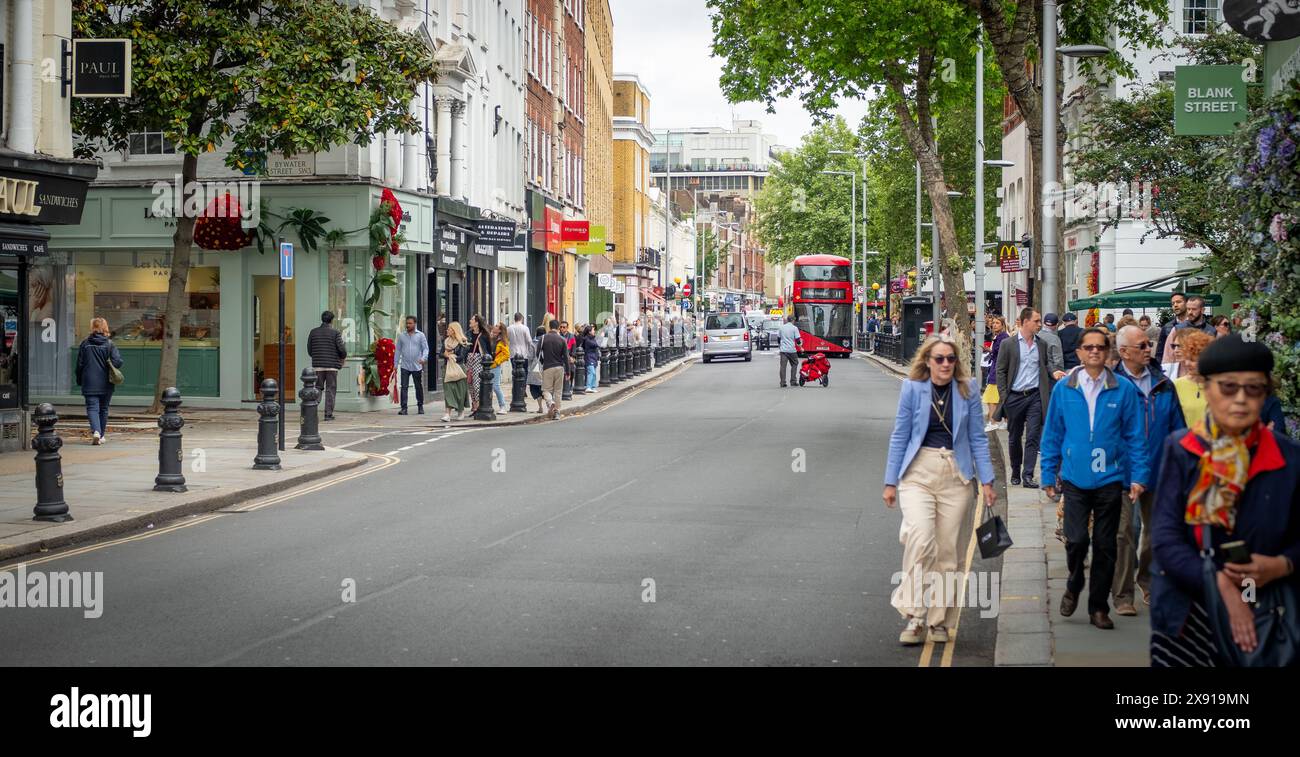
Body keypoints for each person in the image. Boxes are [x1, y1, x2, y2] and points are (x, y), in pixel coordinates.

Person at [1149, 335, 1300, 666]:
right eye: (1229, 388)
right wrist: (1220, 585)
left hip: (1265, 611)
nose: (1241, 399)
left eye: (1254, 389)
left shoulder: (1289, 458)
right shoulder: (1183, 449)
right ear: (1207, 387)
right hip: (1188, 616)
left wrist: (1280, 565)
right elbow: (1165, 539)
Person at [883, 334, 996, 645]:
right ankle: (915, 615)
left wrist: (987, 481)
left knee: (948, 554)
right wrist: (890, 481)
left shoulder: (968, 389)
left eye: (951, 358)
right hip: (918, 472)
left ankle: (938, 622)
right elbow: (900, 435)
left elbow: (977, 438)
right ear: (927, 362)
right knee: (920, 539)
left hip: (955, 475)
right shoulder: (912, 388)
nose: (946, 363)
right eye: (939, 359)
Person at [1041, 327, 1150, 630]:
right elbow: (1052, 434)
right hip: (1075, 479)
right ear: (1078, 353)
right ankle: (1074, 584)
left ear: (1108, 352)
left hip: (1110, 480)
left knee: (1106, 546)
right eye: (1088, 348)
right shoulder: (1065, 389)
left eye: (1100, 347)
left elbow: (1135, 437)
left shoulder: (1124, 389)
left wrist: (1139, 476)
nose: (1094, 352)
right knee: (1076, 540)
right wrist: (1048, 473)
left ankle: (1098, 607)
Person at [1112, 325, 1186, 616]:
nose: (1148, 349)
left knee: (1156, 533)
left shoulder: (1164, 383)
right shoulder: (1111, 383)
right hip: (1122, 472)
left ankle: (1149, 583)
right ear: (1123, 352)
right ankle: (1122, 594)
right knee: (1124, 533)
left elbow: (1179, 428)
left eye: (1148, 344)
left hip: (1159, 469)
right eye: (1141, 345)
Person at [994, 308, 1055, 488]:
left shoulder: (1041, 344)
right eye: (1036, 321)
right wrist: (1005, 396)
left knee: (1033, 436)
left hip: (1035, 396)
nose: (1039, 324)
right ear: (1025, 322)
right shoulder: (1009, 344)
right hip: (1014, 397)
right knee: (1014, 437)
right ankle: (1015, 469)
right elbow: (1000, 371)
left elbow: (1045, 365)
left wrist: (1055, 372)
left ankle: (1028, 475)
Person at [75, 317, 124, 445]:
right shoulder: (109, 344)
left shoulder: (85, 344)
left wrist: (79, 379)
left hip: (89, 381)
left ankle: (96, 431)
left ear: (92, 327)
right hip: (106, 382)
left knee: (92, 407)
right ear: (105, 327)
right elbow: (118, 362)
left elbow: (79, 364)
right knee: (104, 408)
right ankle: (101, 435)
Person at [307, 310, 347, 421]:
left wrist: (317, 357)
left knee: (317, 388)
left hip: (318, 365)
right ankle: (328, 414)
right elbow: (342, 350)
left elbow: (310, 350)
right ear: (332, 320)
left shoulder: (313, 332)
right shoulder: (335, 333)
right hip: (331, 366)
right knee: (330, 389)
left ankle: (311, 411)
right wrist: (342, 357)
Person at [1173, 330, 1214, 429]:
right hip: (1186, 441)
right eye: (1186, 358)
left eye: (1192, 360)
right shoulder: (1176, 385)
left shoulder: (1219, 385)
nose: (1187, 363)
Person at [1161, 294, 1216, 363]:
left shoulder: (1211, 331)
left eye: (1194, 309)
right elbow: (1167, 357)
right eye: (1188, 309)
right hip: (1181, 371)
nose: (1190, 312)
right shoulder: (1177, 329)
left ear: (1202, 310)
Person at [395, 315, 429, 415]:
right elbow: (398, 350)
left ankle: (420, 406)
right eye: (407, 323)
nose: (408, 325)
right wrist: (395, 364)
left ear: (415, 324)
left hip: (416, 365)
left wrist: (423, 358)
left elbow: (426, 348)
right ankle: (404, 408)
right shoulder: (402, 336)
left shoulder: (420, 335)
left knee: (418, 386)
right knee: (404, 387)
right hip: (405, 365)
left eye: (410, 323)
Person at [981, 315, 1007, 430]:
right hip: (995, 368)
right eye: (993, 323)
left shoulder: (1003, 337)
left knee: (991, 398)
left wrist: (990, 351)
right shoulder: (998, 336)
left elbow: (1002, 354)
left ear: (1002, 325)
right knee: (995, 398)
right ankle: (1000, 421)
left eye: (997, 323)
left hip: (998, 370)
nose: (994, 325)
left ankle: (994, 422)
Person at [440, 321, 469, 422]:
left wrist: (452, 355)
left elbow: (462, 357)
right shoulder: (445, 341)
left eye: (449, 329)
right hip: (447, 368)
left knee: (460, 392)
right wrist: (445, 354)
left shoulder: (463, 342)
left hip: (459, 368)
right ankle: (447, 414)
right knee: (448, 391)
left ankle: (461, 411)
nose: (447, 330)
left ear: (454, 330)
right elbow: (440, 354)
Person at [539, 319, 568, 419]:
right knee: (558, 391)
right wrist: (568, 372)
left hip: (547, 367)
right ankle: (557, 412)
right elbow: (566, 357)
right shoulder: (562, 339)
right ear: (558, 327)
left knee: (546, 390)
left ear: (549, 327)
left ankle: (550, 402)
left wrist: (543, 361)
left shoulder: (543, 338)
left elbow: (537, 353)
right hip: (560, 367)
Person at [466, 314, 492, 414]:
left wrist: (488, 361)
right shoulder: (468, 333)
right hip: (469, 359)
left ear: (477, 322)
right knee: (470, 383)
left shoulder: (484, 334)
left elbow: (489, 349)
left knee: (477, 384)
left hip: (479, 359)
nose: (470, 320)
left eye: (472, 319)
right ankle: (475, 406)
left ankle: (480, 405)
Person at [1156, 292, 1188, 362]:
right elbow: (1160, 353)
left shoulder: (1194, 325)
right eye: (1173, 303)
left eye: (1178, 302)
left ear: (1187, 304)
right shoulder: (1167, 327)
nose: (1175, 305)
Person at [489, 322, 510, 412]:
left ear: (500, 330)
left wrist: (497, 361)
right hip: (487, 365)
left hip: (495, 366)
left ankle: (502, 406)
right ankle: (488, 406)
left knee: (495, 386)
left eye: (497, 326)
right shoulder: (492, 338)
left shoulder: (502, 341)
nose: (495, 326)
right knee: (487, 387)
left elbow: (506, 355)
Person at [1039, 313, 1067, 380]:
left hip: (1039, 373)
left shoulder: (1036, 336)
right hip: (1052, 375)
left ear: (1043, 323)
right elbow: (1058, 359)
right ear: (1057, 325)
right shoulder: (1055, 339)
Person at [777, 314, 802, 387]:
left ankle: (782, 382)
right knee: (795, 363)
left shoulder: (781, 328)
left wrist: (780, 345)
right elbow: (798, 340)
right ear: (793, 320)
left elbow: (778, 339)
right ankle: (793, 381)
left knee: (783, 367)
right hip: (792, 350)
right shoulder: (794, 328)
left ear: (788, 320)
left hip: (783, 350)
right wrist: (800, 346)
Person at [528, 326, 546, 413]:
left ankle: (540, 407)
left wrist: (528, 367)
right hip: (546, 367)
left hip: (535, 367)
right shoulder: (548, 342)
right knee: (546, 388)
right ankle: (550, 405)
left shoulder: (533, 343)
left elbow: (530, 357)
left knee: (535, 388)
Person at [580, 324, 602, 392]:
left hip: (594, 357)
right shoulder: (587, 339)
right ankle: (588, 386)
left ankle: (593, 387)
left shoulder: (592, 338)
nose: (594, 331)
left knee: (594, 373)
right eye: (593, 330)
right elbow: (596, 344)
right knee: (591, 372)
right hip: (589, 357)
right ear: (589, 331)